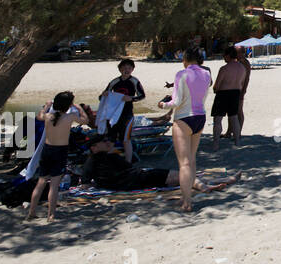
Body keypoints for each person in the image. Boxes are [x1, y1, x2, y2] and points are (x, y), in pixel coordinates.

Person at [82, 135, 241, 194]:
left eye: (108, 140)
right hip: (135, 179)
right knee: (178, 175)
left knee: (180, 178)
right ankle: (206, 187)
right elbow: (129, 168)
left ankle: (216, 182)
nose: (108, 142)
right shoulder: (101, 159)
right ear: (94, 148)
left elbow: (85, 181)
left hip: (127, 182)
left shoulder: (97, 160)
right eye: (104, 141)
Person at [160, 46, 212, 212]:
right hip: (200, 116)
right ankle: (186, 197)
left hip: (184, 118)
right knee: (192, 159)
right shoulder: (206, 74)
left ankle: (187, 202)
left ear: (186, 59)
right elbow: (203, 97)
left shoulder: (181, 74)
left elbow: (176, 101)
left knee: (184, 163)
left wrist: (162, 105)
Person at [26, 92, 91, 222]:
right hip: (60, 151)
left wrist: (46, 106)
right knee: (54, 185)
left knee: (41, 182)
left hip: (47, 150)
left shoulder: (48, 116)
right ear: (68, 106)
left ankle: (31, 212)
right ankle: (51, 215)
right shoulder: (69, 117)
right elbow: (86, 120)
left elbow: (39, 116)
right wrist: (79, 108)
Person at [212, 45, 246, 148]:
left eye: (224, 56)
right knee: (234, 118)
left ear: (228, 56)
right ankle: (237, 142)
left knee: (218, 120)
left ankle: (216, 144)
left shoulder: (224, 68)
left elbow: (217, 85)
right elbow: (242, 83)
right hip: (235, 93)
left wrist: (215, 89)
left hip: (223, 94)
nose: (223, 58)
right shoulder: (242, 68)